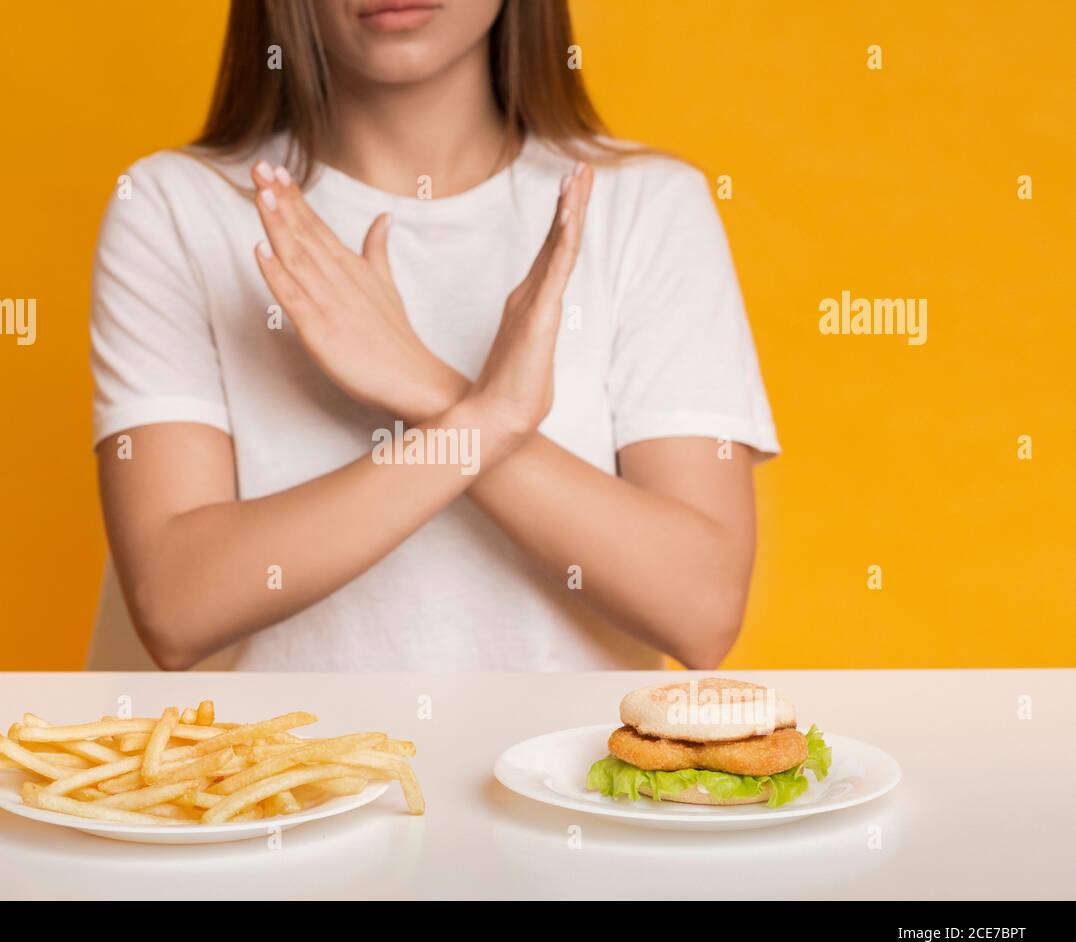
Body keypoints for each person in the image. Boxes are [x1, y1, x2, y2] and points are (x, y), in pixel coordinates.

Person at [87, 0, 779, 673]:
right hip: (280, 789)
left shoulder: (647, 206)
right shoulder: (174, 207)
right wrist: (482, 420)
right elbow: (175, 607)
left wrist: (422, 383)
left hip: (560, 788)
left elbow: (702, 607)